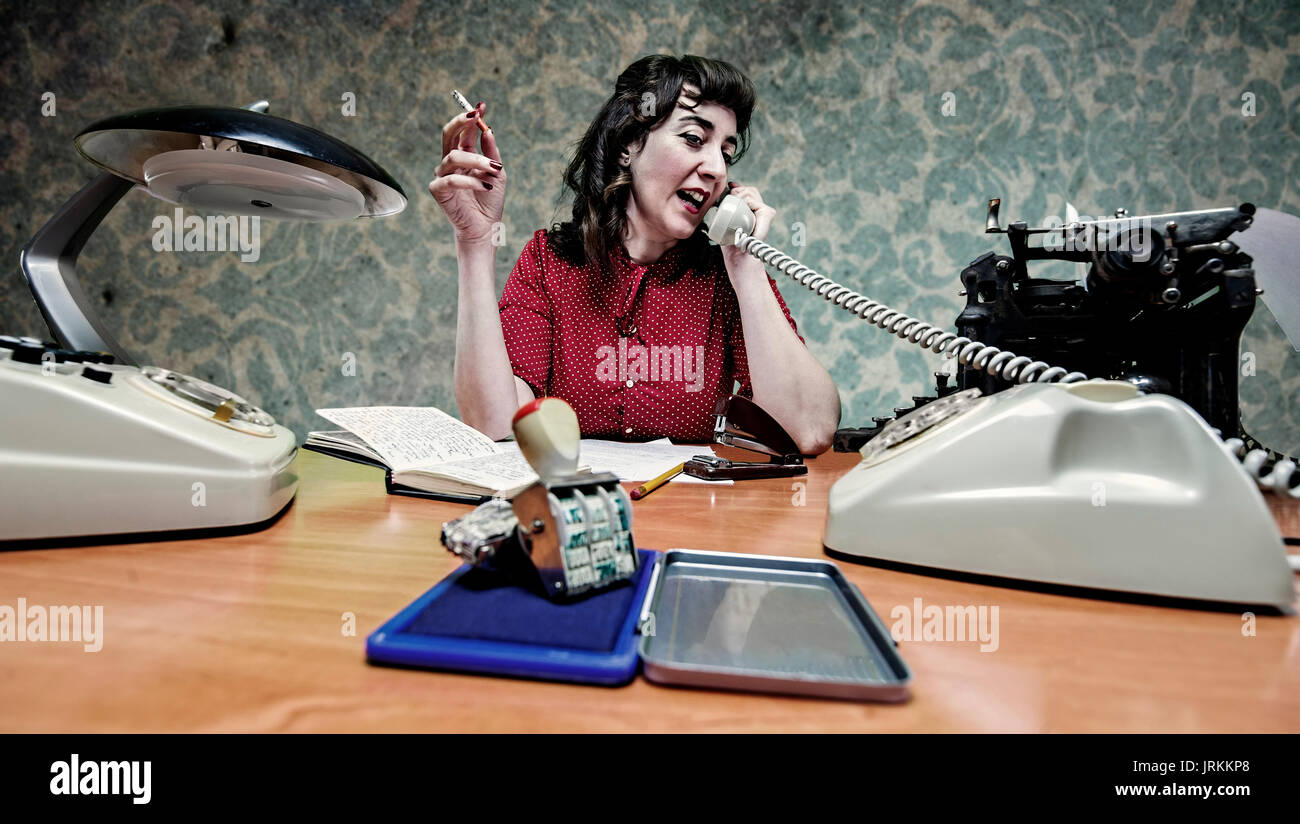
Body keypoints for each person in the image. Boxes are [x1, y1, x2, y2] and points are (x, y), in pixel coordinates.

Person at [430, 55, 840, 454]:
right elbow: (495, 426)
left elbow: (810, 430)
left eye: (726, 153)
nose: (716, 168)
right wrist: (474, 245)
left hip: (691, 520)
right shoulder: (548, 262)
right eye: (695, 139)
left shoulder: (727, 278)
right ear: (628, 143)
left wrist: (746, 265)